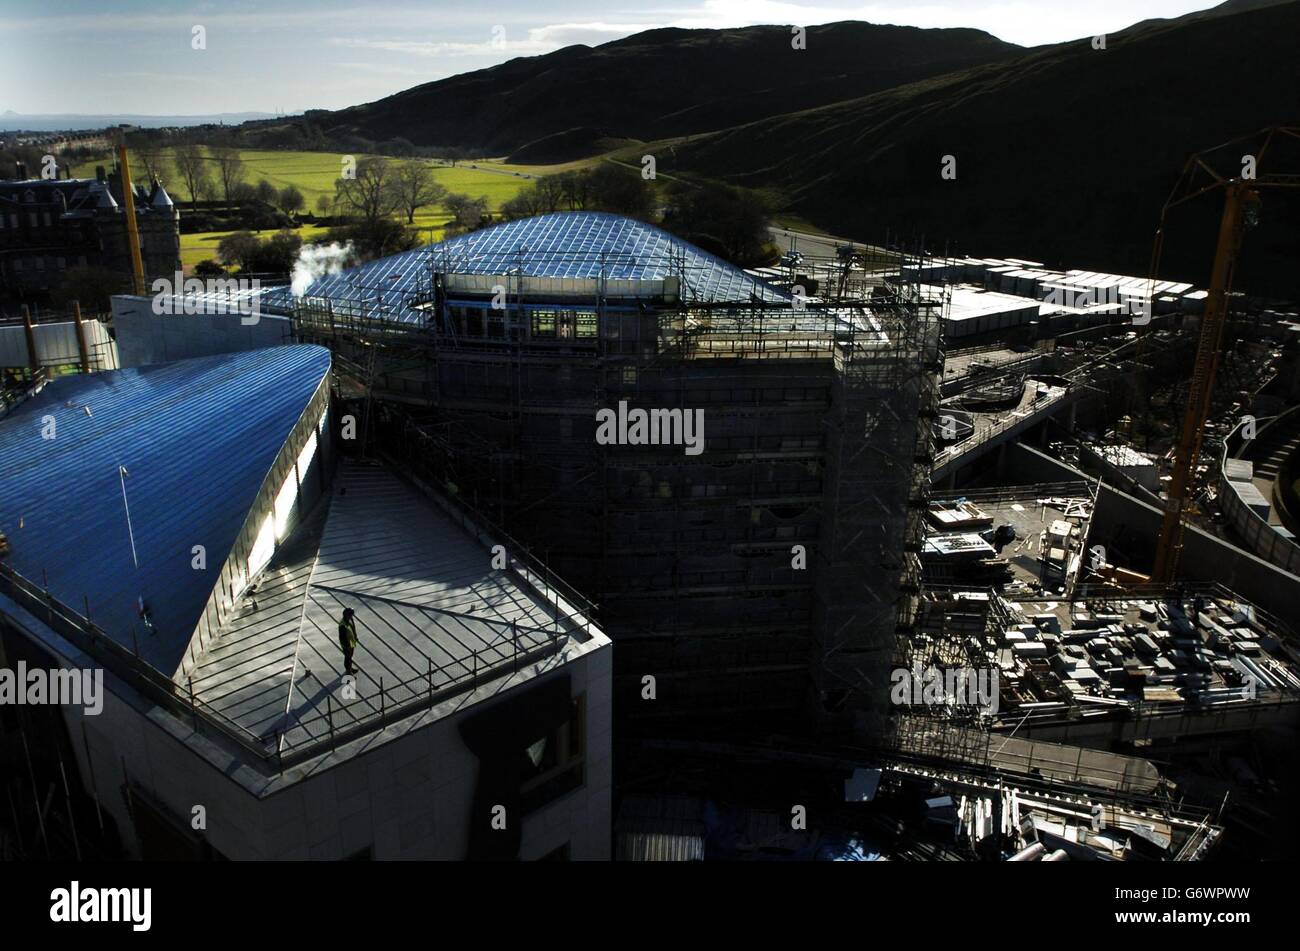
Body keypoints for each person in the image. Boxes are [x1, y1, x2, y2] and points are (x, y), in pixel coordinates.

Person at [338, 607, 359, 675]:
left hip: (351, 642)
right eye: (350, 615)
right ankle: (348, 671)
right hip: (346, 644)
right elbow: (342, 638)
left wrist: (355, 636)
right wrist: (347, 646)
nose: (351, 616)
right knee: (347, 657)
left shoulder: (350, 619)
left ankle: (350, 668)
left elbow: (353, 628)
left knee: (350, 656)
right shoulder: (342, 625)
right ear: (346, 615)